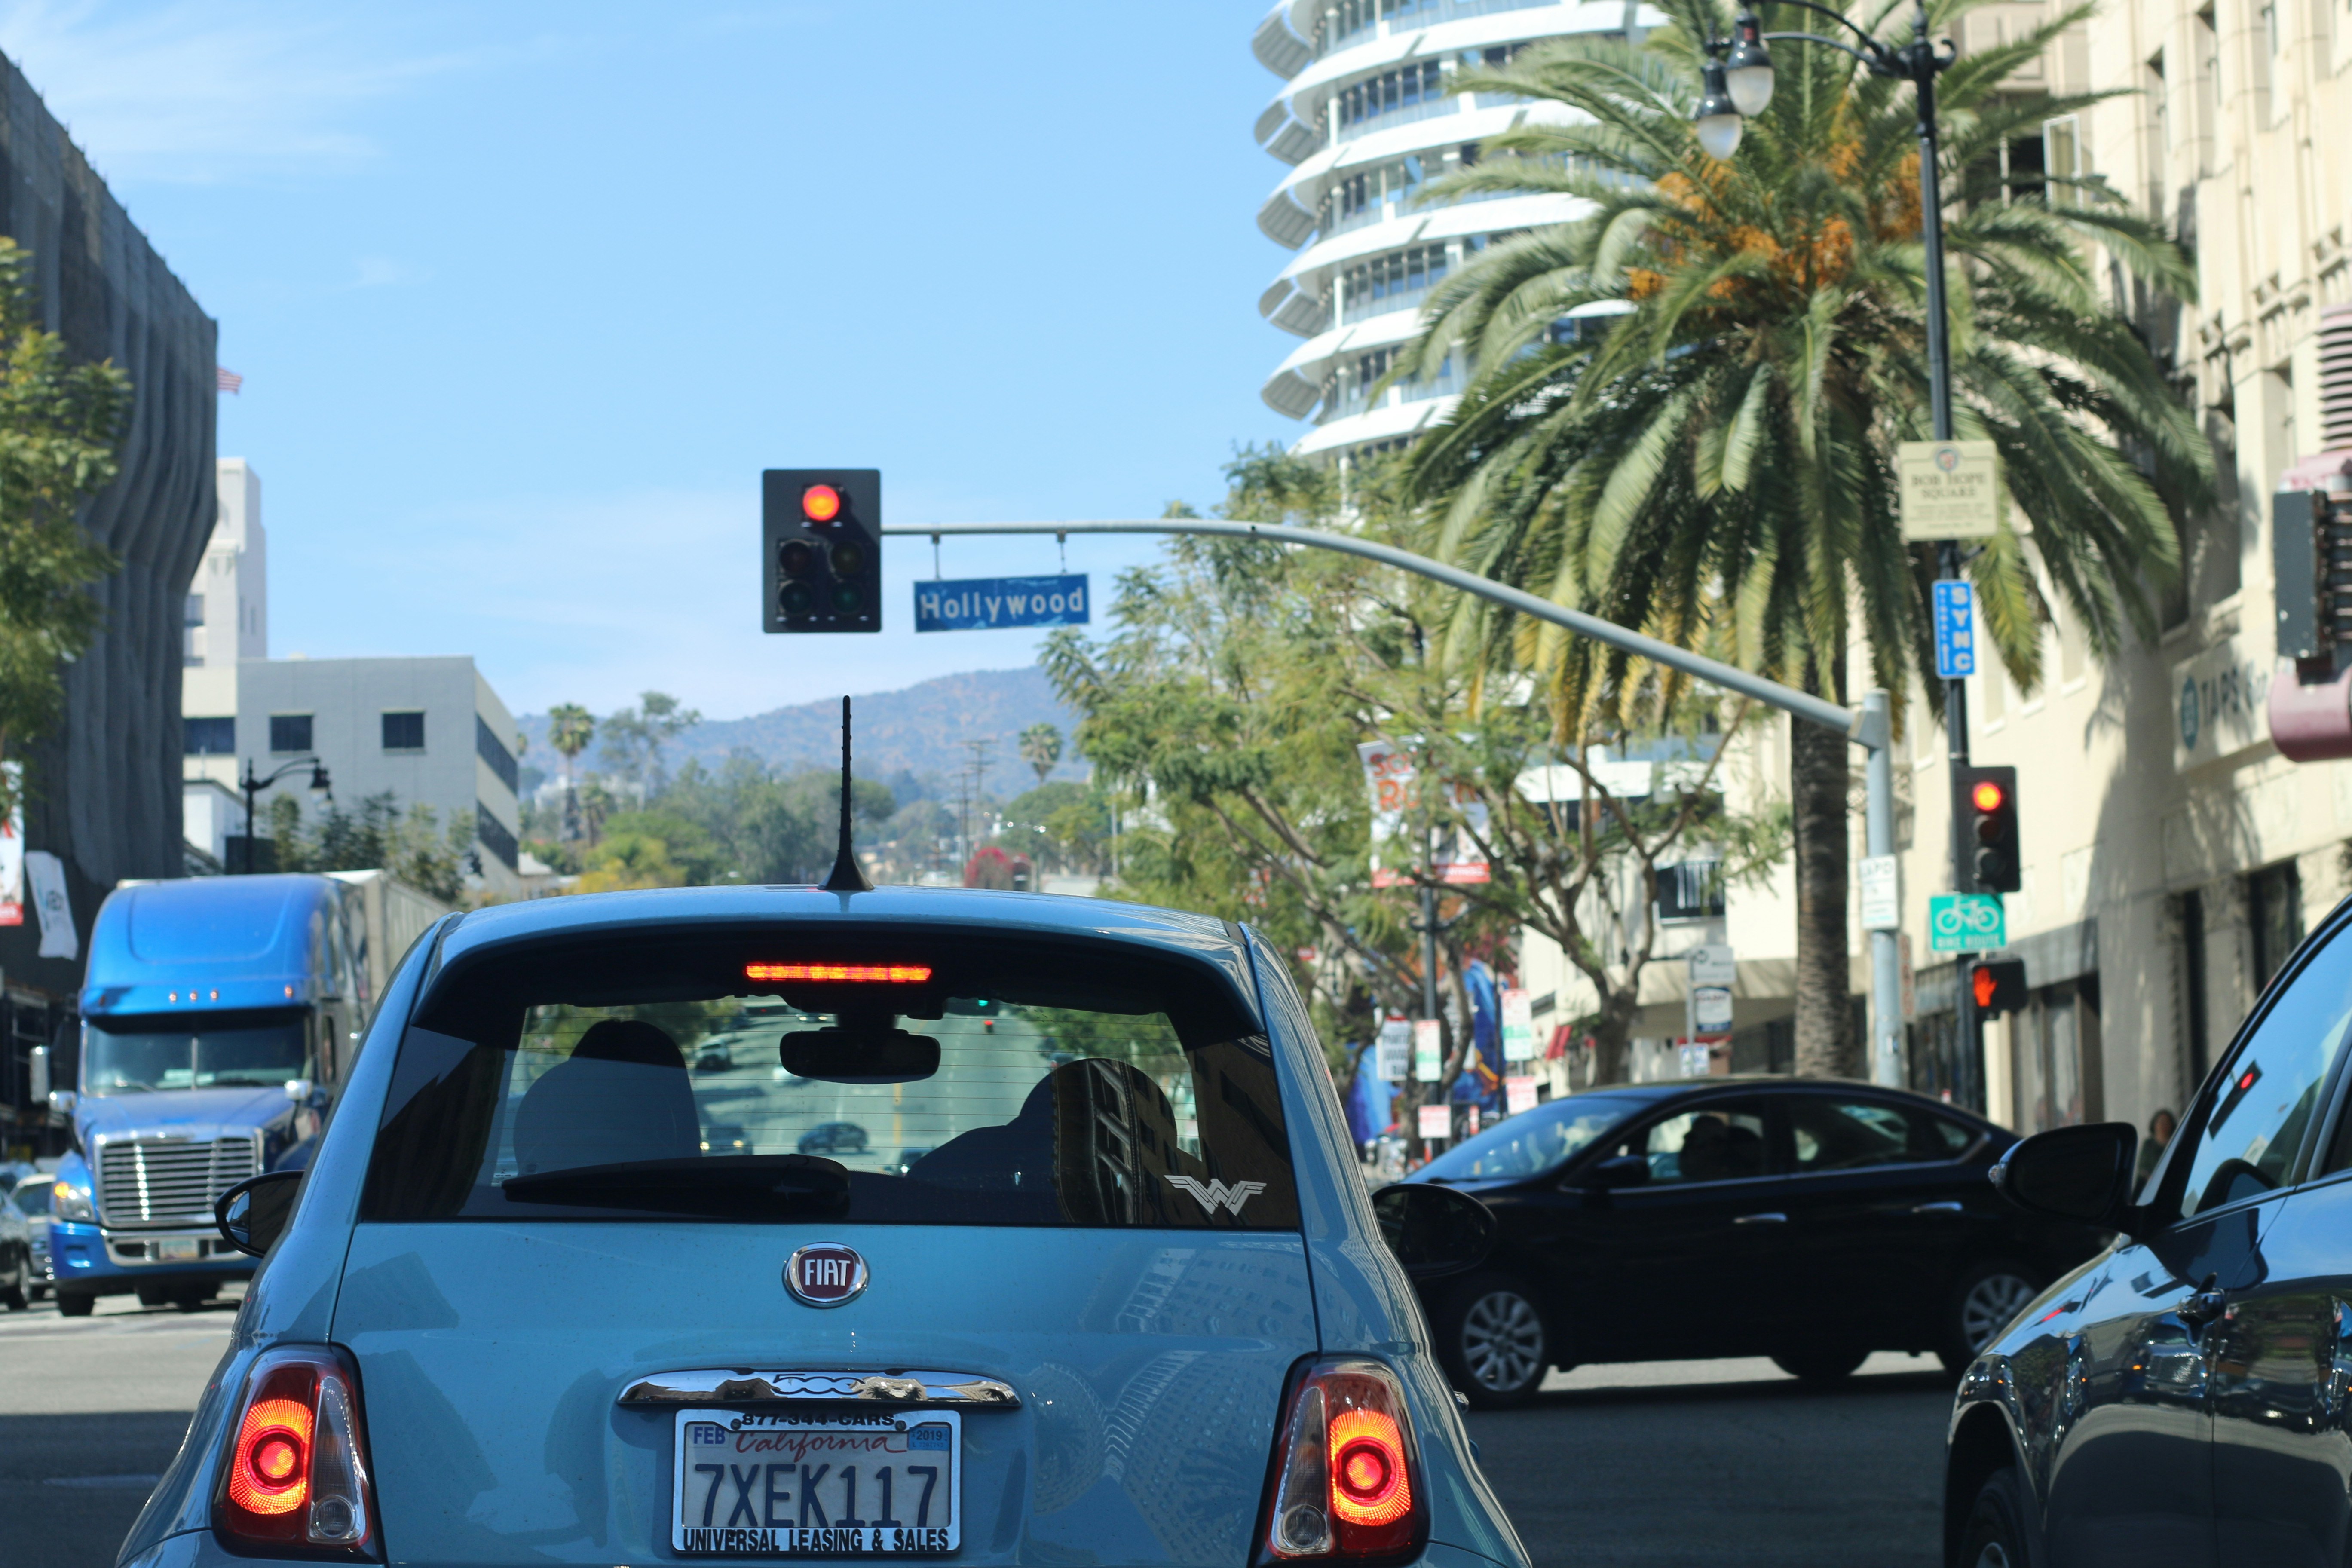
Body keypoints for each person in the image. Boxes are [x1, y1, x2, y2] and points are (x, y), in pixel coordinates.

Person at [2135, 1107, 2177, 1183]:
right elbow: (2143, 1168)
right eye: (2161, 1122)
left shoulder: (2176, 1143)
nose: (2164, 1125)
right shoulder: (2148, 1144)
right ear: (2155, 1124)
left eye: (2167, 1122)